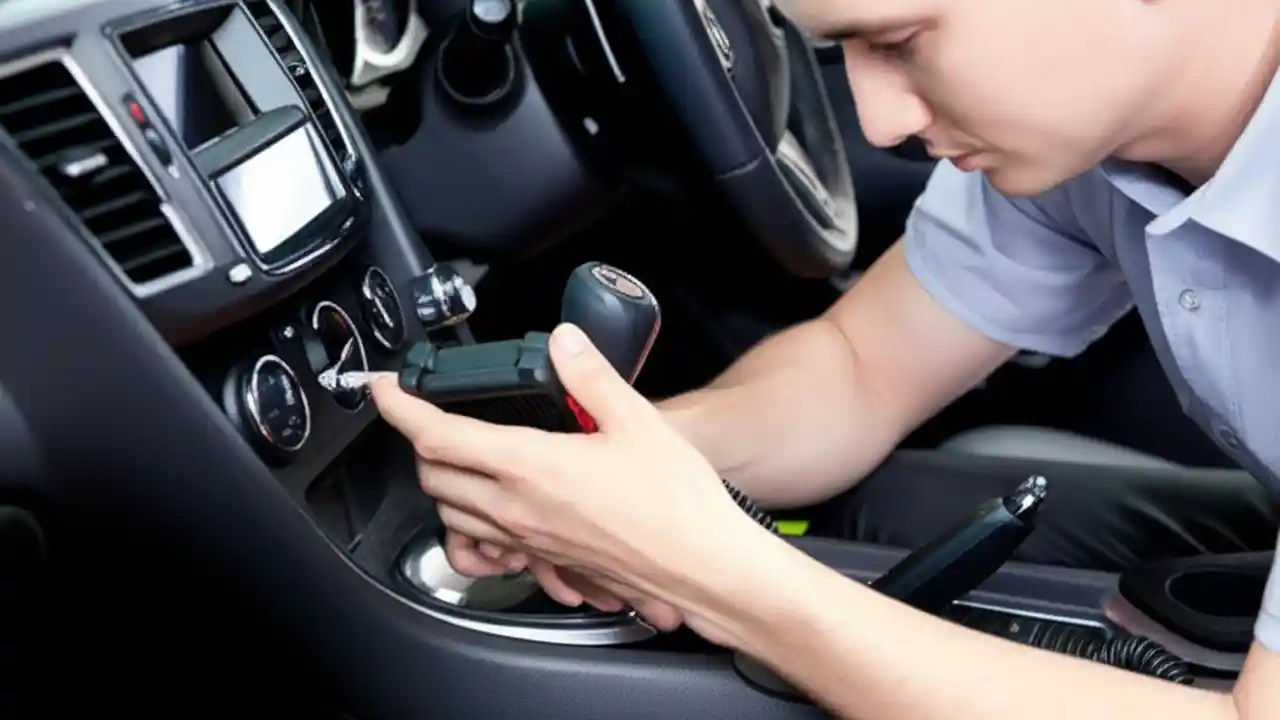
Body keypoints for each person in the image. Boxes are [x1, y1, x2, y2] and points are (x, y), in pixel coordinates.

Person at [370, 0, 1280, 716]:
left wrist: (712, 570)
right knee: (896, 507)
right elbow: (860, 367)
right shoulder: (1082, 146)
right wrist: (610, 469)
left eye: (903, 39)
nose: (879, 120)